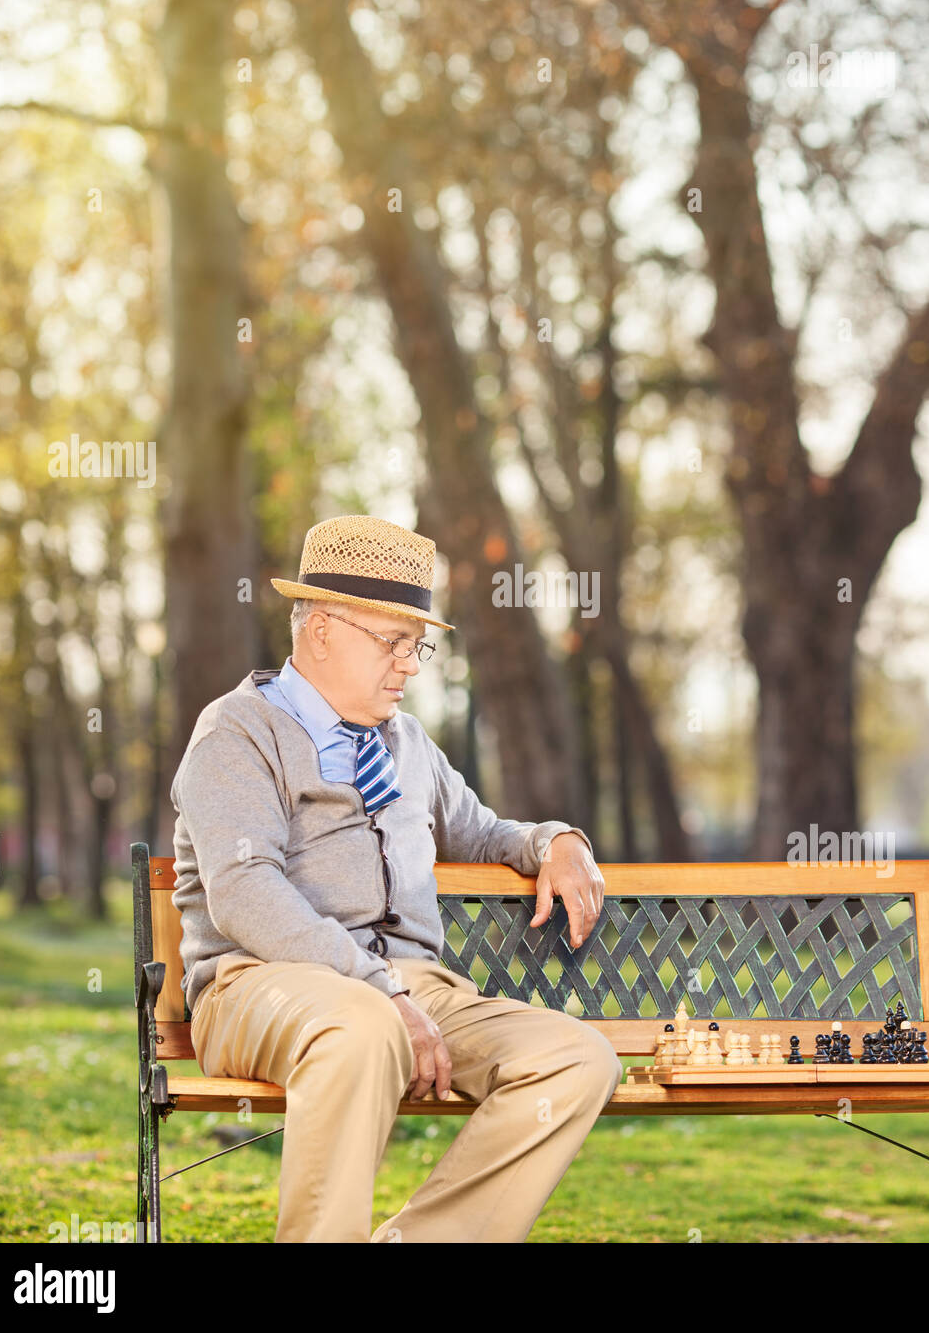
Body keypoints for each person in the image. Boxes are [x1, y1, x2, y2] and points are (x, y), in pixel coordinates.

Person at [170, 514, 620, 1242]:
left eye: (419, 647)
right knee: (361, 1025)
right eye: (393, 642)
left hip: (416, 990)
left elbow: (484, 832)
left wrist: (558, 841)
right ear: (320, 630)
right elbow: (245, 889)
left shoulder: (408, 744)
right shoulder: (238, 731)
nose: (410, 665)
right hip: (263, 984)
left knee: (577, 1059)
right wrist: (377, 989)